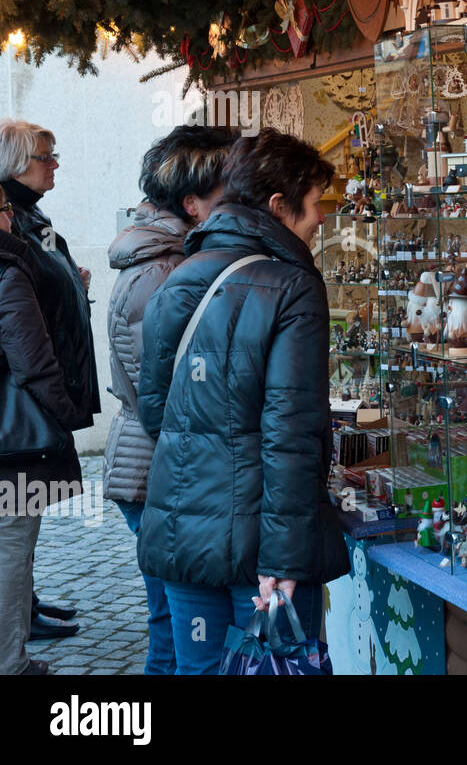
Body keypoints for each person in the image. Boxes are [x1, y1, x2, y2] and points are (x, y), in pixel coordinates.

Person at [137, 128, 349, 675]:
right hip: (259, 544)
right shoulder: (291, 286)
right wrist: (283, 558)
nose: (321, 217)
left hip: (183, 529)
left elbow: (155, 413)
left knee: (199, 670)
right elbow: (291, 434)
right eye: (313, 204)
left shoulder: (179, 276)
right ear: (279, 206)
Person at [103, 125, 234, 675]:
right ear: (193, 203)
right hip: (154, 470)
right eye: (229, 190)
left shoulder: (162, 259)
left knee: (169, 623)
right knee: (178, 634)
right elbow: (170, 395)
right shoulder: (165, 272)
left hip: (150, 466)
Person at [0, 119, 97, 641]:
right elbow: (19, 323)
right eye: (45, 156)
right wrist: (59, 403)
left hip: (31, 398)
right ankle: (13, 631)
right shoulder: (10, 224)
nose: (55, 164)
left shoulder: (29, 217)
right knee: (14, 529)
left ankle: (24, 609)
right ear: (14, 164)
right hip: (23, 408)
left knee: (20, 527)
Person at [0, 192, 82, 674]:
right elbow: (33, 362)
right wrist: (64, 413)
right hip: (15, 448)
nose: (13, 218)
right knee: (12, 551)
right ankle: (10, 662)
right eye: (6, 211)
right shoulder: (9, 272)